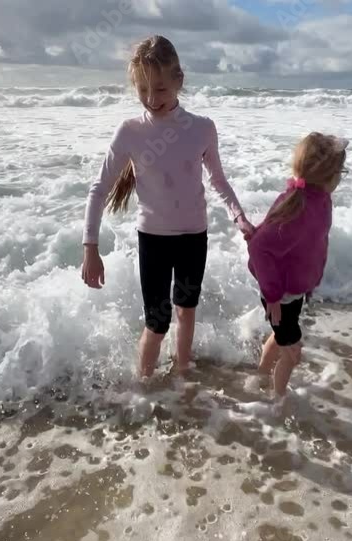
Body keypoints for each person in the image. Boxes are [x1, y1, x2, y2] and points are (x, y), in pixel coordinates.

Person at [81, 35, 256, 378]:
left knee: (187, 310)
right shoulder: (129, 131)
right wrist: (90, 247)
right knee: (157, 323)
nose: (150, 99)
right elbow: (99, 188)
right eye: (142, 90)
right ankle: (143, 387)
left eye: (159, 89)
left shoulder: (203, 128)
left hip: (194, 236)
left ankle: (182, 376)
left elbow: (218, 180)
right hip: (154, 241)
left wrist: (239, 217)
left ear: (179, 80)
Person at [247, 132, 348, 399]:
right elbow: (259, 246)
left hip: (293, 290)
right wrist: (272, 296)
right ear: (329, 175)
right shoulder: (299, 207)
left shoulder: (318, 199)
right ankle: (278, 401)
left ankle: (260, 376)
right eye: (341, 171)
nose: (341, 177)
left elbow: (307, 244)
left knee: (280, 339)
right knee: (293, 352)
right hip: (279, 294)